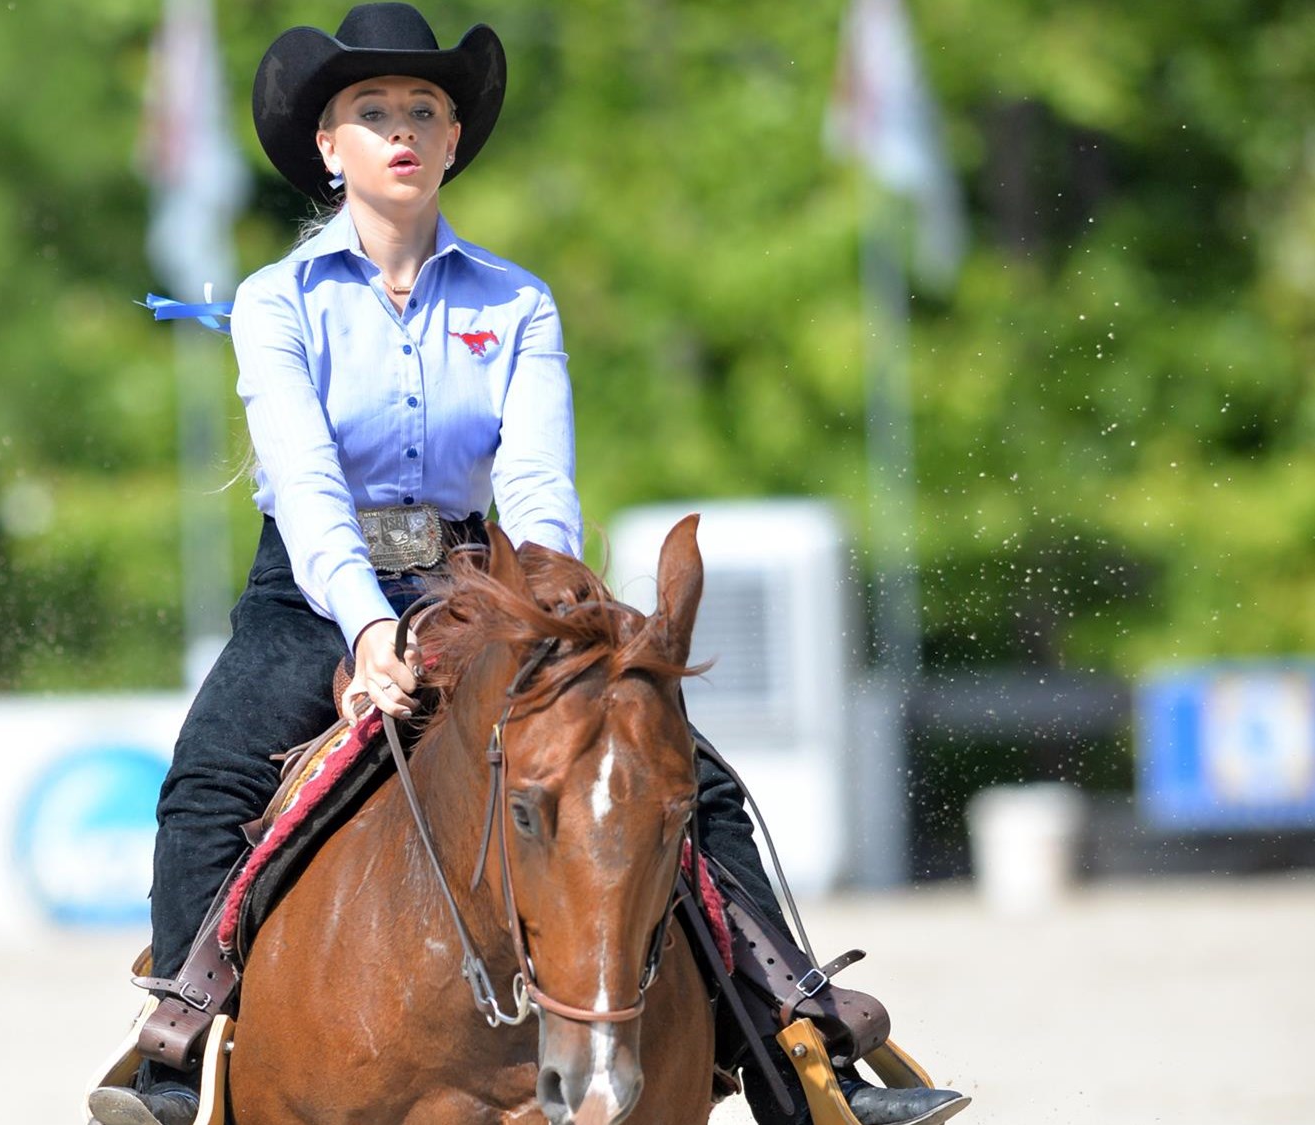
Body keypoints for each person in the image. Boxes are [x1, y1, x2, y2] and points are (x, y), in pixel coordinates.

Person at [90, 7, 966, 1125]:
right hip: (316, 592)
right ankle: (180, 1045)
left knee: (675, 775)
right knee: (209, 780)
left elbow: (540, 486)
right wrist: (365, 631)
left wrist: (550, 604)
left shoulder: (515, 302)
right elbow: (308, 491)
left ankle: (802, 1048)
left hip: (485, 582)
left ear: (453, 140)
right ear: (328, 146)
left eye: (423, 111)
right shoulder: (276, 302)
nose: (400, 131)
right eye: (372, 114)